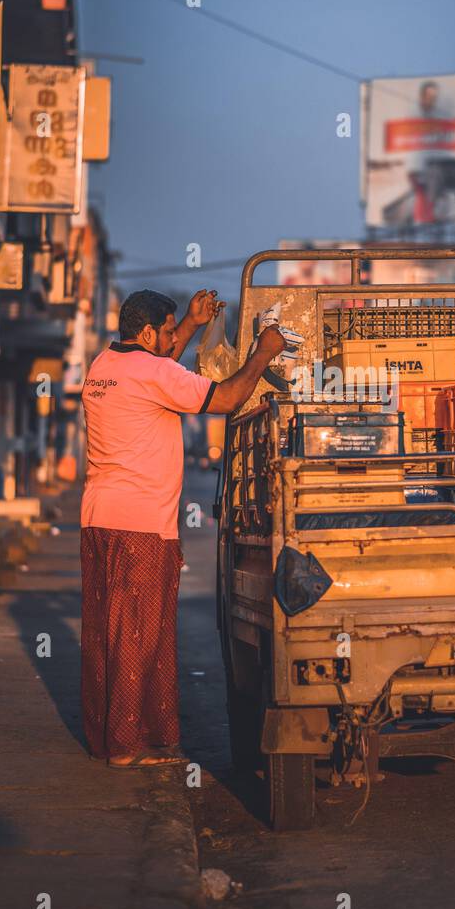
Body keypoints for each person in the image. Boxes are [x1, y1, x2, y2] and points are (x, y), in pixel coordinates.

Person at [79, 288, 285, 768]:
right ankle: (127, 748)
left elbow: (160, 365)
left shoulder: (104, 366)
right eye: (169, 329)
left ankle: (112, 736)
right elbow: (230, 397)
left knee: (107, 633)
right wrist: (262, 353)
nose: (174, 337)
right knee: (138, 634)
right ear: (148, 332)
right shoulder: (155, 372)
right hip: (141, 526)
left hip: (98, 518)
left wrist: (191, 322)